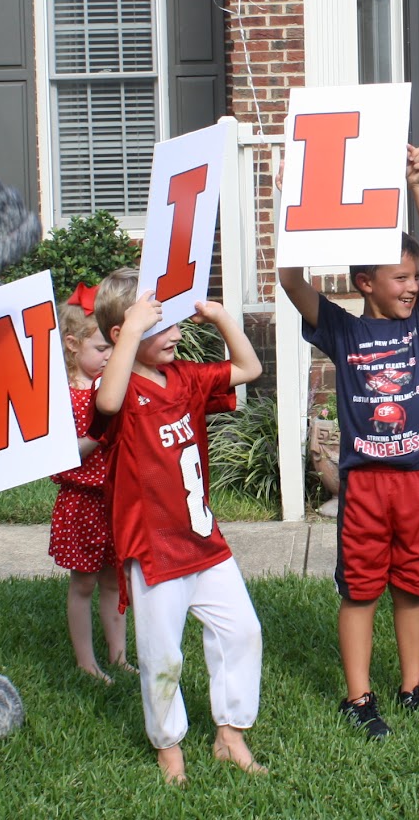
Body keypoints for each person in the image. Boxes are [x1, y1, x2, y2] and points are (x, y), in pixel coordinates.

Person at [277, 145, 419, 739]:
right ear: (365, 282)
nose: (411, 286)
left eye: (413, 278)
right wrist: (292, 203)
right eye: (399, 278)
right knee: (360, 591)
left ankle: (413, 688)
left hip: (418, 480)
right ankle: (359, 699)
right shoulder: (342, 328)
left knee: (413, 586)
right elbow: (289, 278)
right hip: (364, 486)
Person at [92, 269, 265, 783]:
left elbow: (249, 367)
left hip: (202, 538)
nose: (173, 333)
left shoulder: (185, 377)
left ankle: (230, 734)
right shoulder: (119, 392)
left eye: (171, 323)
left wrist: (220, 317)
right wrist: (128, 330)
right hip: (153, 549)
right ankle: (169, 747)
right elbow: (105, 400)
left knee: (242, 631)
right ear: (124, 336)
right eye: (157, 326)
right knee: (162, 652)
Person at [48, 296, 130, 683]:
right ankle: (85, 661)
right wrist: (98, 434)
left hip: (115, 497)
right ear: (71, 344)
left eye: (113, 348)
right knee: (83, 582)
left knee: (115, 579)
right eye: (101, 348)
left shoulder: (109, 388)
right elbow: (61, 455)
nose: (109, 356)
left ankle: (118, 657)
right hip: (81, 501)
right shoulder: (62, 396)